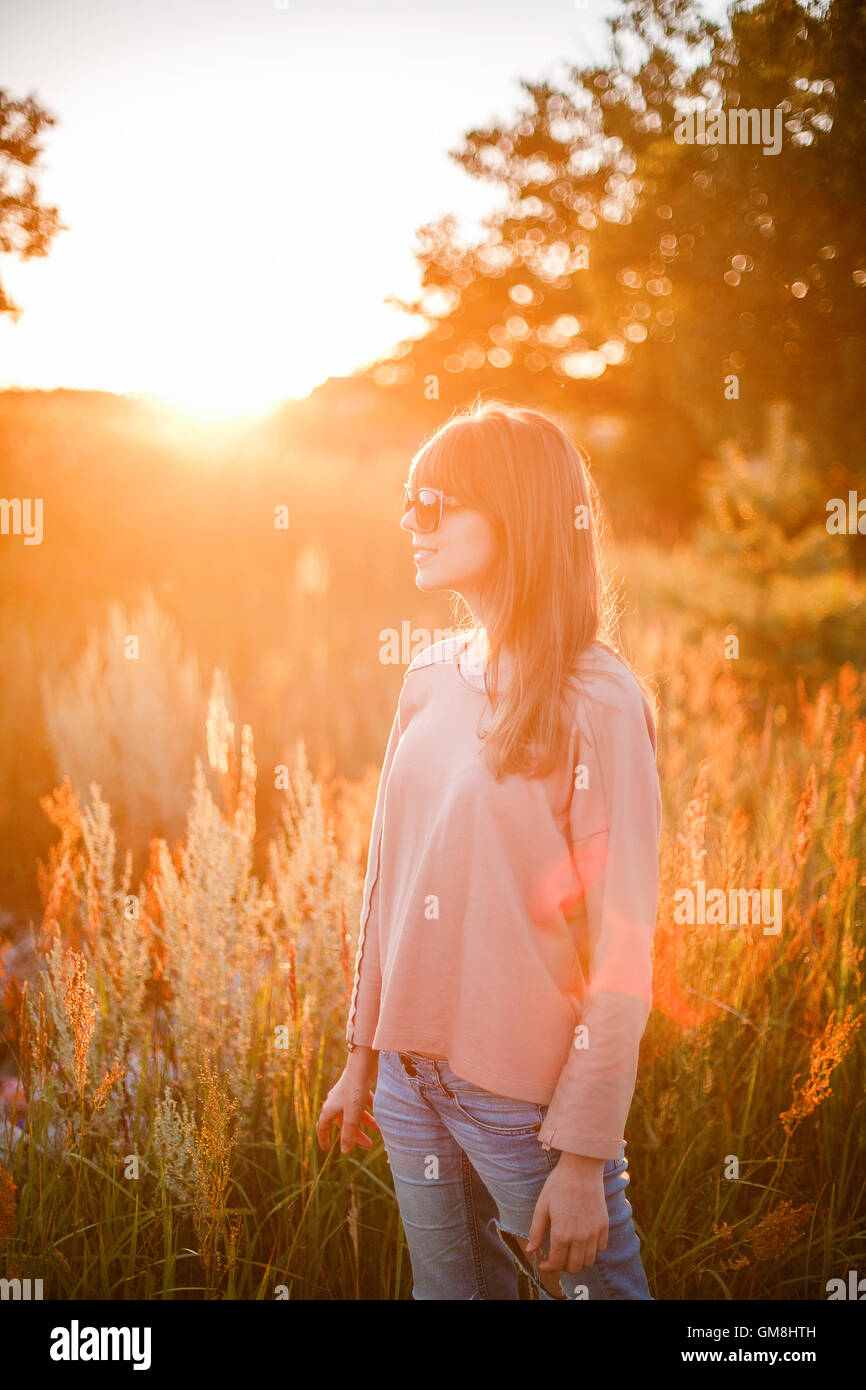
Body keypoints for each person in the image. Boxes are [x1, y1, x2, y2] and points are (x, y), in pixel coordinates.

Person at [316, 398, 662, 1300]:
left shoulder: (600, 699)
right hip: (405, 1081)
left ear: (512, 515)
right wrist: (363, 1055)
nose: (408, 524)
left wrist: (585, 1154)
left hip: (525, 1109)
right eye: (407, 500)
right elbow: (387, 881)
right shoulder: (428, 673)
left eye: (433, 504)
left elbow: (623, 945)